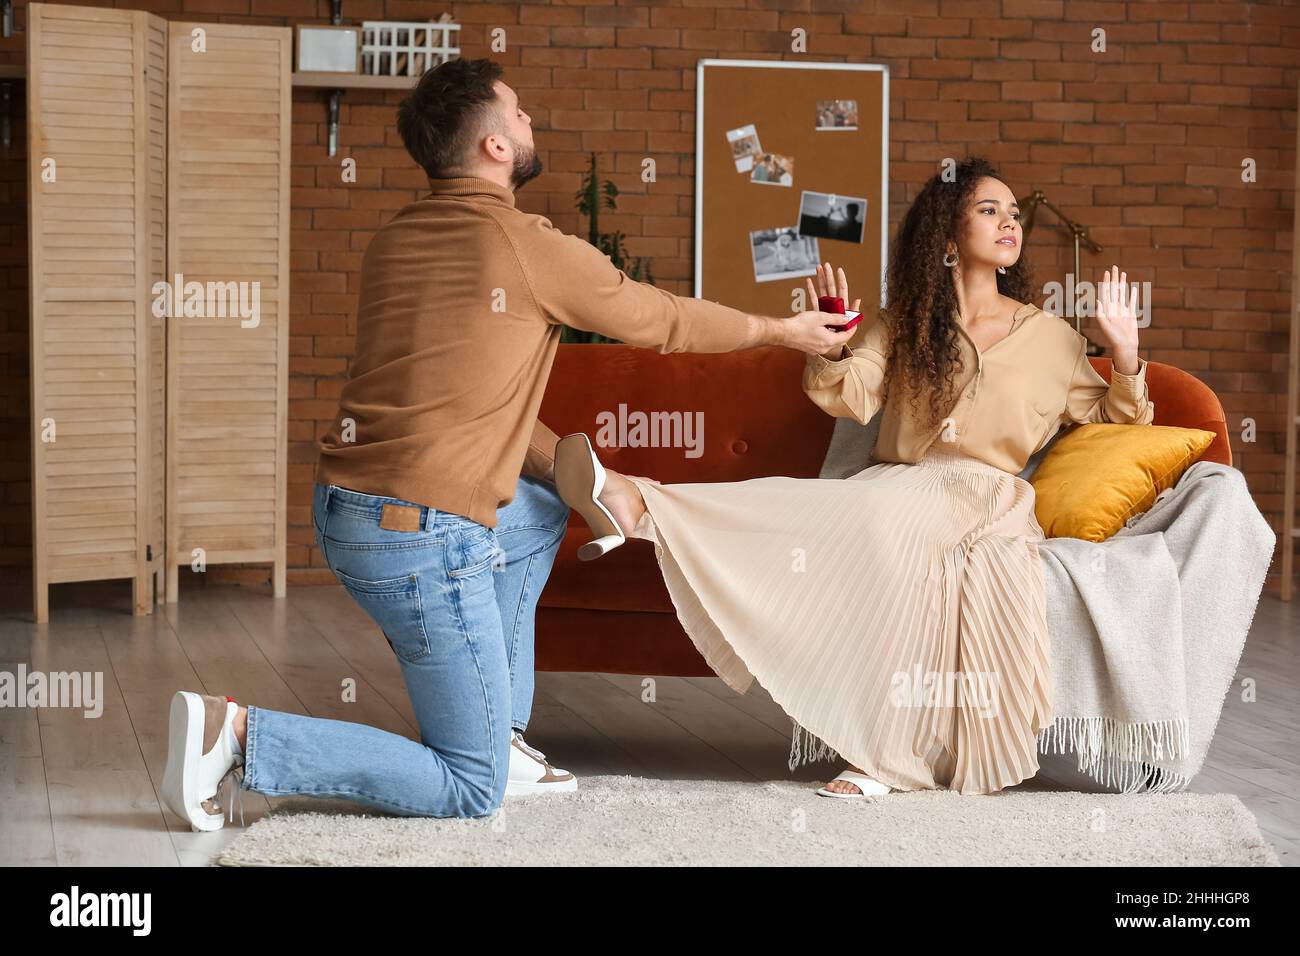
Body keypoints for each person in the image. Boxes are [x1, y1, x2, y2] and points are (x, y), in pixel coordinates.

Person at [159, 57, 853, 832]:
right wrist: (785, 331)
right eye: (518, 114)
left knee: (539, 508)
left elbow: (475, 406)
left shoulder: (397, 239)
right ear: (493, 146)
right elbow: (664, 321)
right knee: (468, 784)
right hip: (421, 534)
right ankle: (245, 738)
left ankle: (505, 735)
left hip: (346, 513)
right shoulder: (526, 246)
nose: (529, 124)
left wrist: (580, 472)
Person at [555, 157, 1155, 798]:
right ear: (946, 236)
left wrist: (1123, 351)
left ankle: (886, 758)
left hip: (986, 500)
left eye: (1014, 214)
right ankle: (638, 505)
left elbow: (1120, 419)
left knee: (869, 520)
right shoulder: (902, 324)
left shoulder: (1053, 339)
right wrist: (836, 345)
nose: (1009, 222)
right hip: (901, 485)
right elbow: (852, 394)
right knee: (812, 506)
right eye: (989, 210)